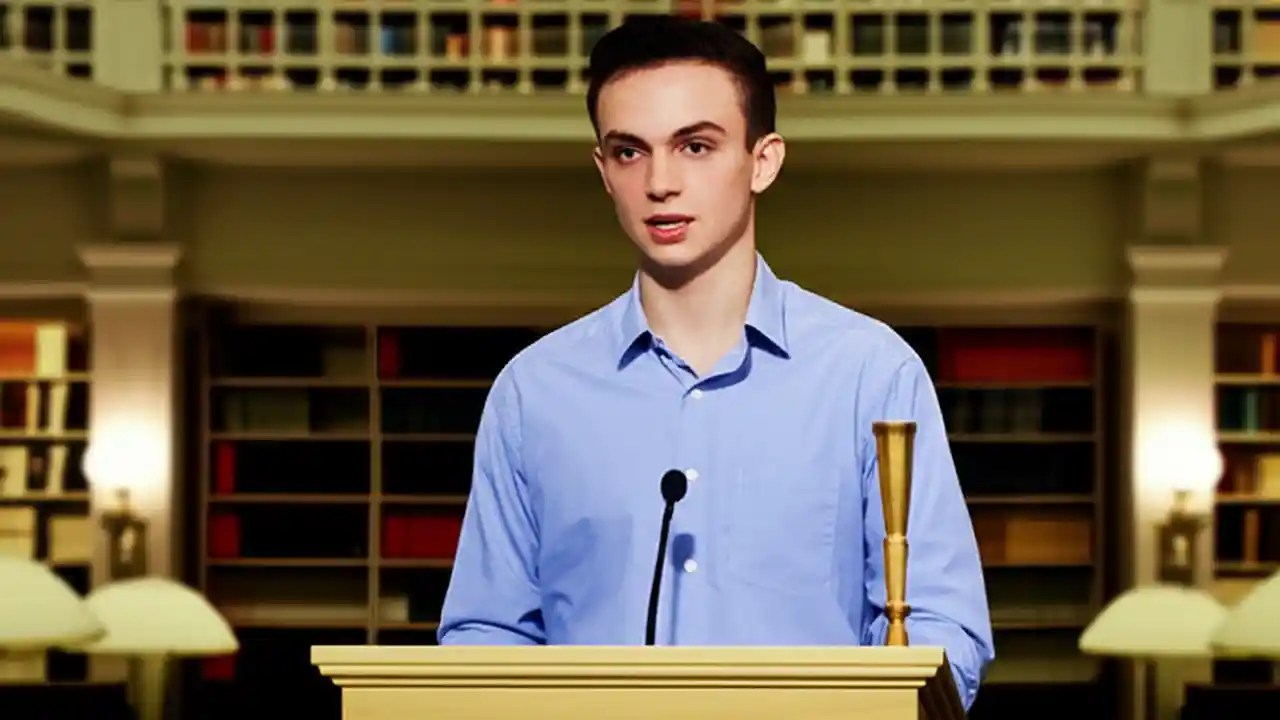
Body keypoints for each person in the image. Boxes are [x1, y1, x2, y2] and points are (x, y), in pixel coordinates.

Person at [437, 14, 994, 709]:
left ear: (764, 160)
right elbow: (485, 636)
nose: (660, 182)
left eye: (695, 146)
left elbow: (947, 631)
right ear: (603, 171)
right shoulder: (533, 393)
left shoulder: (871, 376)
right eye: (629, 152)